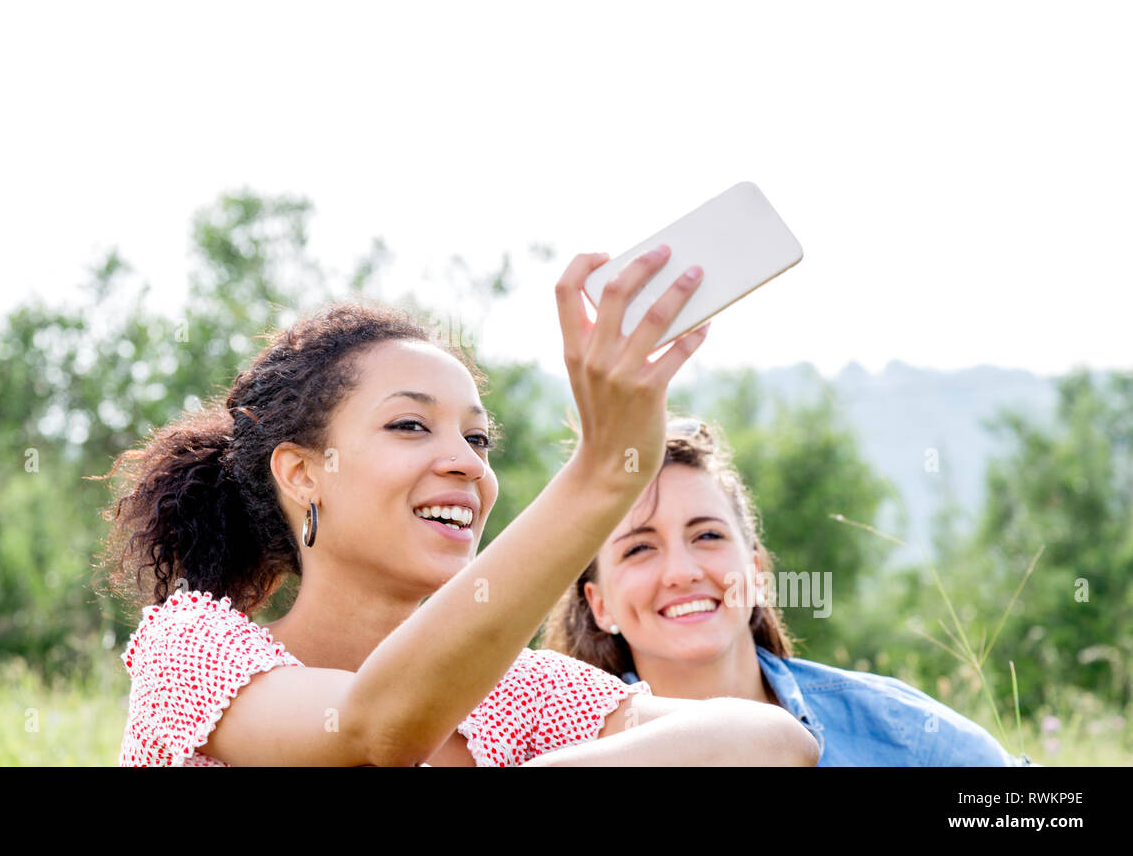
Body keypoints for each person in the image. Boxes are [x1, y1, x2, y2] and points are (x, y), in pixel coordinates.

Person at [98, 249, 822, 766]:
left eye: (478, 438)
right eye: (410, 425)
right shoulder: (192, 649)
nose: (467, 464)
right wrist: (600, 473)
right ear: (302, 473)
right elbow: (373, 731)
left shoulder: (521, 693)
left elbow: (774, 744)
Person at [543, 416, 1022, 766]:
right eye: (639, 549)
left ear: (755, 573)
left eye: (707, 535)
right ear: (599, 604)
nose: (681, 572)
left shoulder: (894, 729)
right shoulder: (564, 754)